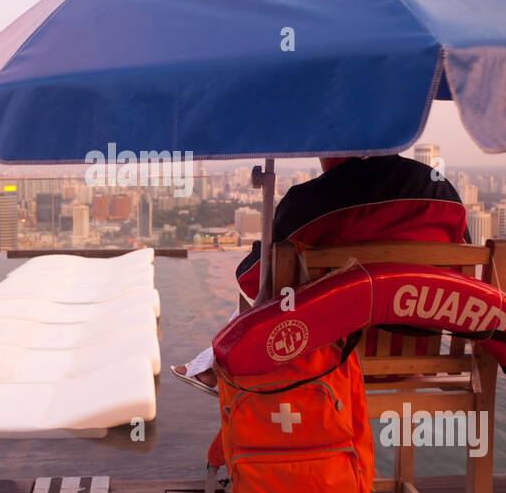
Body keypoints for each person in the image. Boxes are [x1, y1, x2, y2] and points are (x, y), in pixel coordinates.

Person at [170, 153, 470, 394]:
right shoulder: (440, 192)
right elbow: (465, 270)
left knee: (260, 308)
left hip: (326, 361)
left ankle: (212, 366)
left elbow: (256, 282)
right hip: (417, 355)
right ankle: (208, 364)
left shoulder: (308, 202)